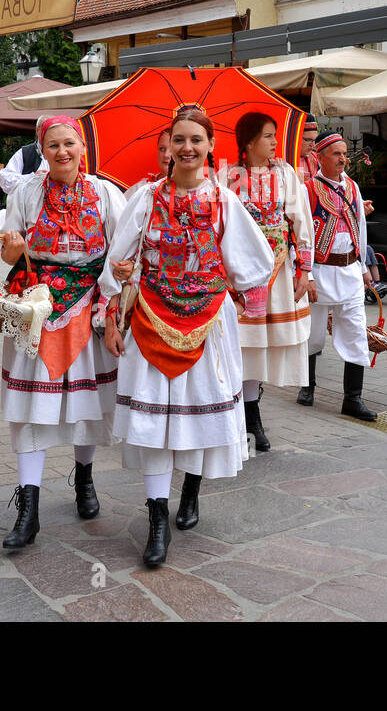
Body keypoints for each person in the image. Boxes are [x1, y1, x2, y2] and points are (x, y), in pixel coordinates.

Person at [100, 107, 274, 568]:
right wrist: (119, 284)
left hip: (207, 323)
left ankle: (191, 491)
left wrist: (231, 290)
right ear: (168, 145)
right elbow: (117, 261)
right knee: (154, 422)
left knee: (197, 414)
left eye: (196, 139)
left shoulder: (225, 200)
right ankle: (158, 520)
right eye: (179, 139)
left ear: (211, 145)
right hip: (151, 318)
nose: (187, 148)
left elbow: (255, 263)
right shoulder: (146, 197)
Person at [0, 115, 129, 551]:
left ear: (82, 147)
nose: (62, 152)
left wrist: (112, 293)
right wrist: (13, 250)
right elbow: (9, 251)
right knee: (33, 407)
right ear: (42, 149)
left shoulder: (106, 193)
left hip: (89, 306)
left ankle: (84, 480)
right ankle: (28, 510)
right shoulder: (27, 192)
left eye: (69, 143)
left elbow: (124, 249)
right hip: (37, 308)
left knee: (86, 406)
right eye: (53, 145)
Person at [217, 112, 316, 452]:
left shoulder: (286, 173)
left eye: (275, 136)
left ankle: (252, 412)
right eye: (268, 136)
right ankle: (236, 415)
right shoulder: (227, 176)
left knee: (259, 345)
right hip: (241, 276)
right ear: (248, 143)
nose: (276, 143)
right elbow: (221, 227)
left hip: (278, 272)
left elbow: (300, 221)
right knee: (242, 343)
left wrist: (306, 270)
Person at [298, 132, 379, 421]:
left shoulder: (353, 188)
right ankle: (307, 385)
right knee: (313, 335)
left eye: (344, 153)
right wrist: (305, 274)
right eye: (336, 153)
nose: (343, 158)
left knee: (356, 333)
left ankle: (353, 399)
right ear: (319, 157)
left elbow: (360, 227)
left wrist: (364, 269)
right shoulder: (307, 190)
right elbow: (303, 236)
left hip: (349, 272)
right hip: (319, 273)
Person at [125, 128, 172, 200]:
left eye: (172, 149)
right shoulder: (141, 188)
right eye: (162, 149)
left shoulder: (192, 192)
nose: (166, 155)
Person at [296, 113, 320, 181]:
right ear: (296, 138)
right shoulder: (284, 161)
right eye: (308, 140)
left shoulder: (318, 159)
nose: (312, 145)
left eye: (314, 140)